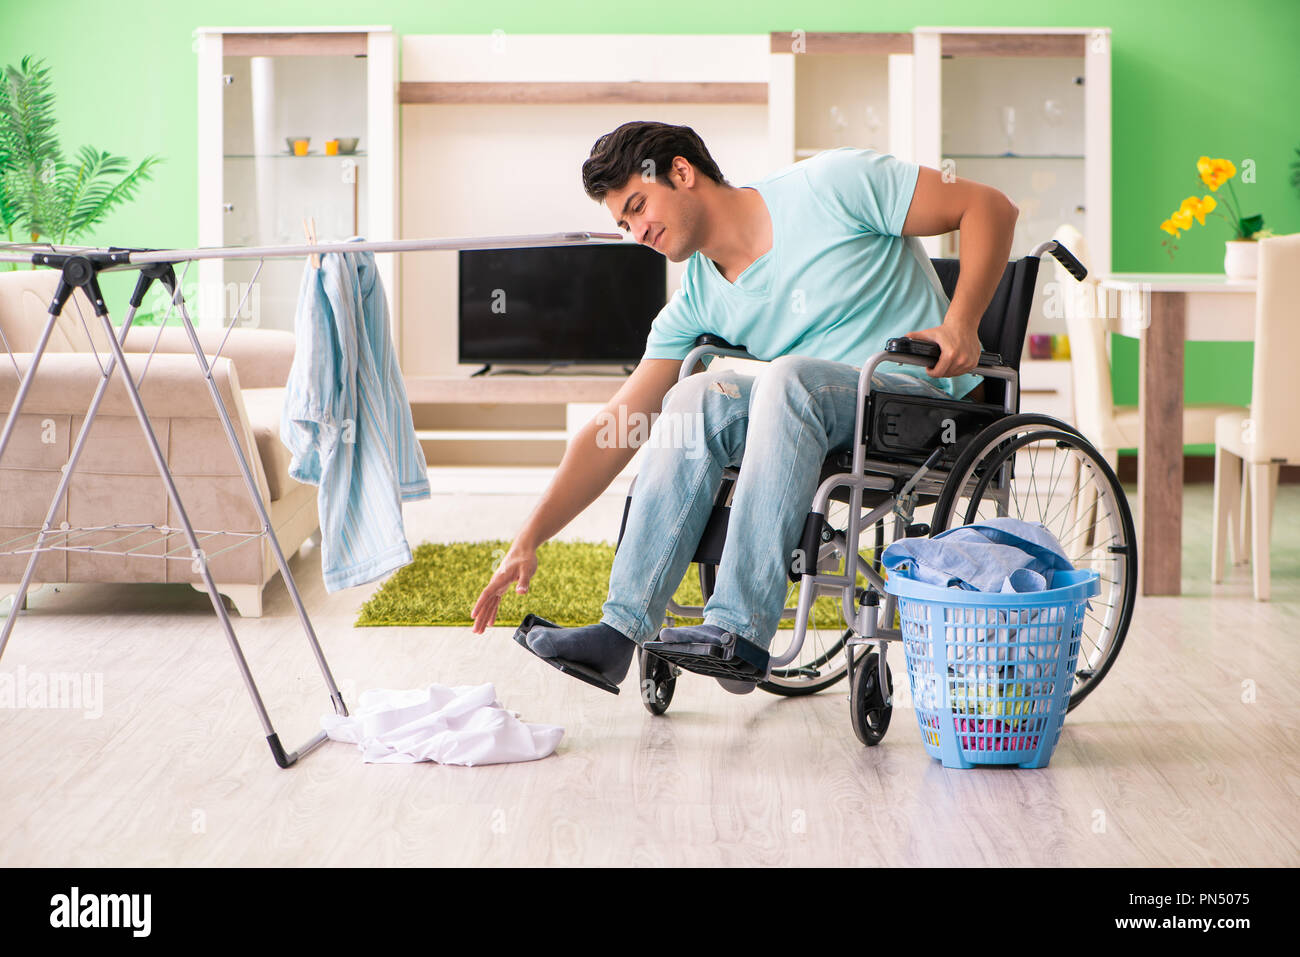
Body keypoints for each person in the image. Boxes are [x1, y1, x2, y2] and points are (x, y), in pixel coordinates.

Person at [470, 120, 1017, 694]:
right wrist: (528, 538)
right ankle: (620, 631)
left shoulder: (833, 183)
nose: (636, 233)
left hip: (921, 403)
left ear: (681, 172)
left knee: (786, 376)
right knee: (693, 396)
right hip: (817, 414)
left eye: (637, 207)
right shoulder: (700, 296)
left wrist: (961, 324)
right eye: (623, 223)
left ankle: (738, 630)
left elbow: (990, 208)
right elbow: (616, 427)